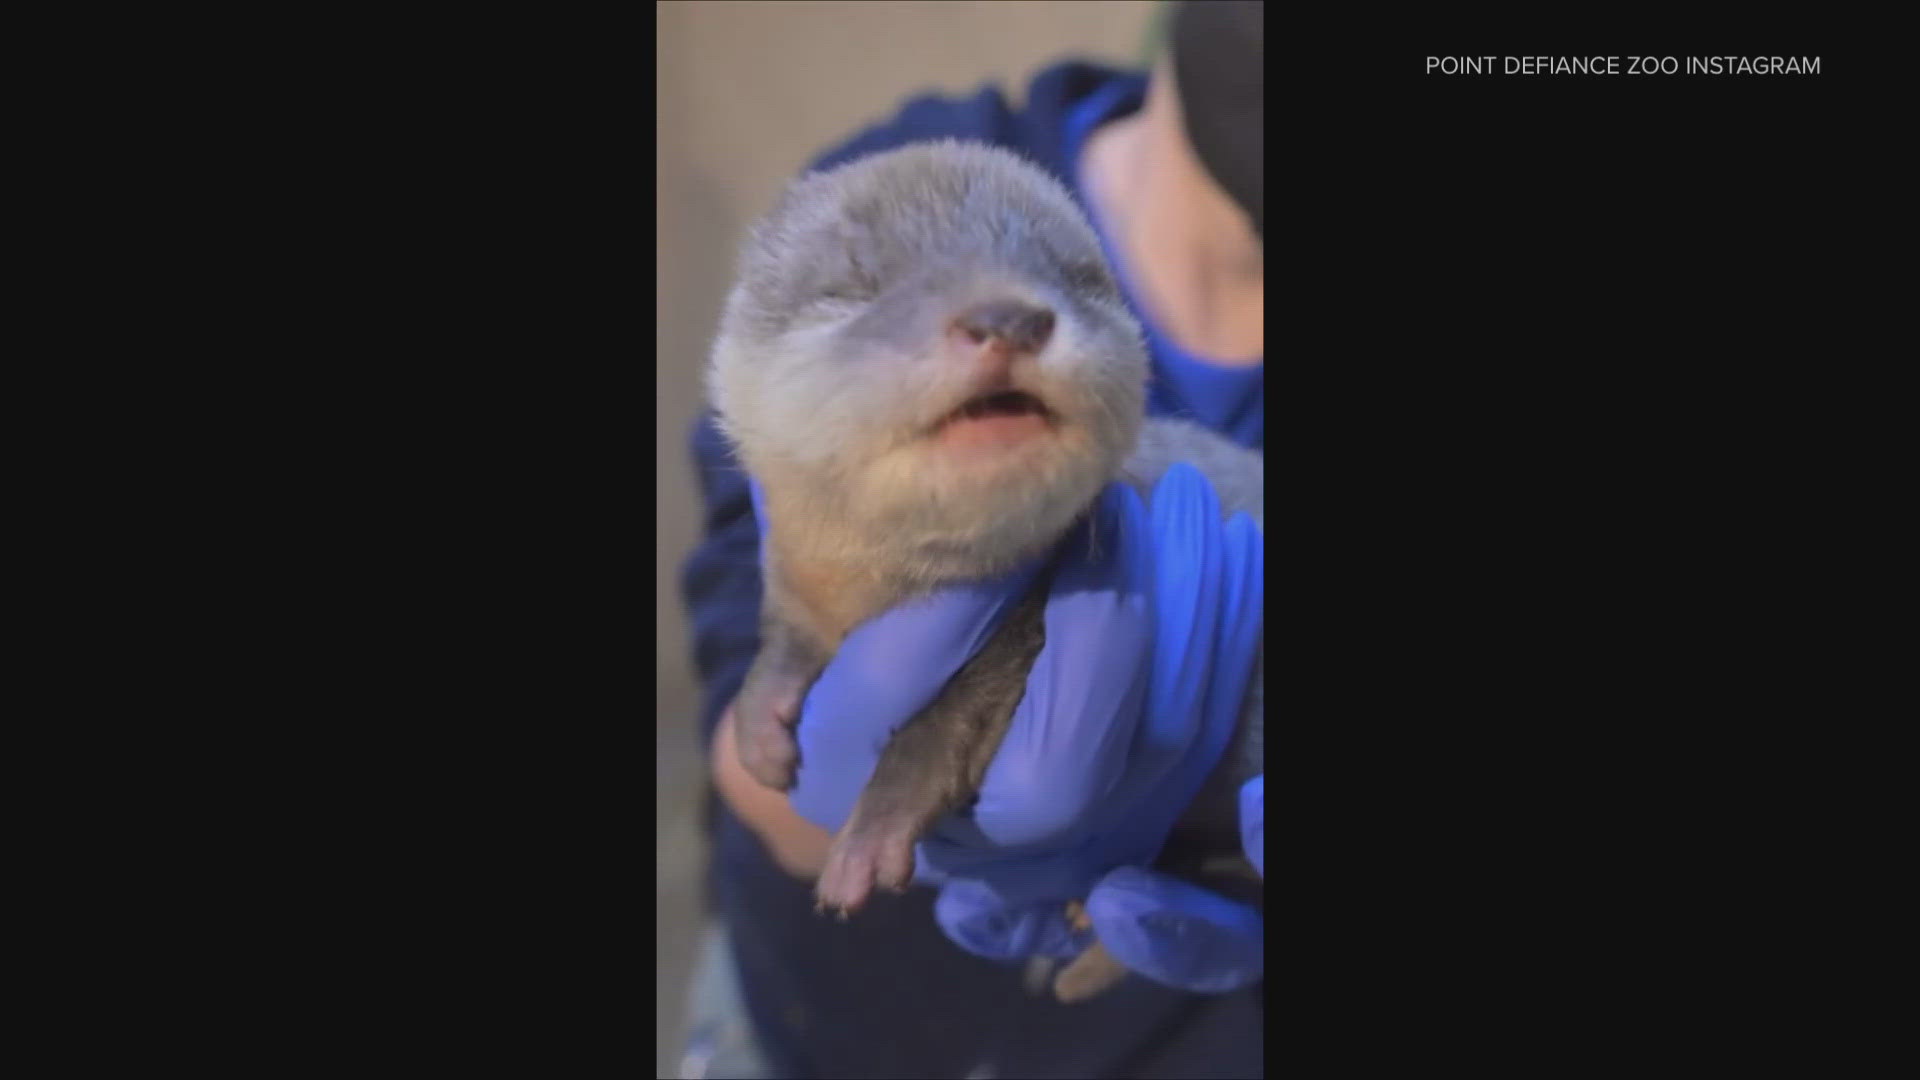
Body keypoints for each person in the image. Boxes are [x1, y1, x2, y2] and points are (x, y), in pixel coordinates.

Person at [681, 3, 1264, 1075]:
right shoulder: (891, 177)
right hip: (815, 1033)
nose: (1003, 325)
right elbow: (742, 708)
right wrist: (807, 719)